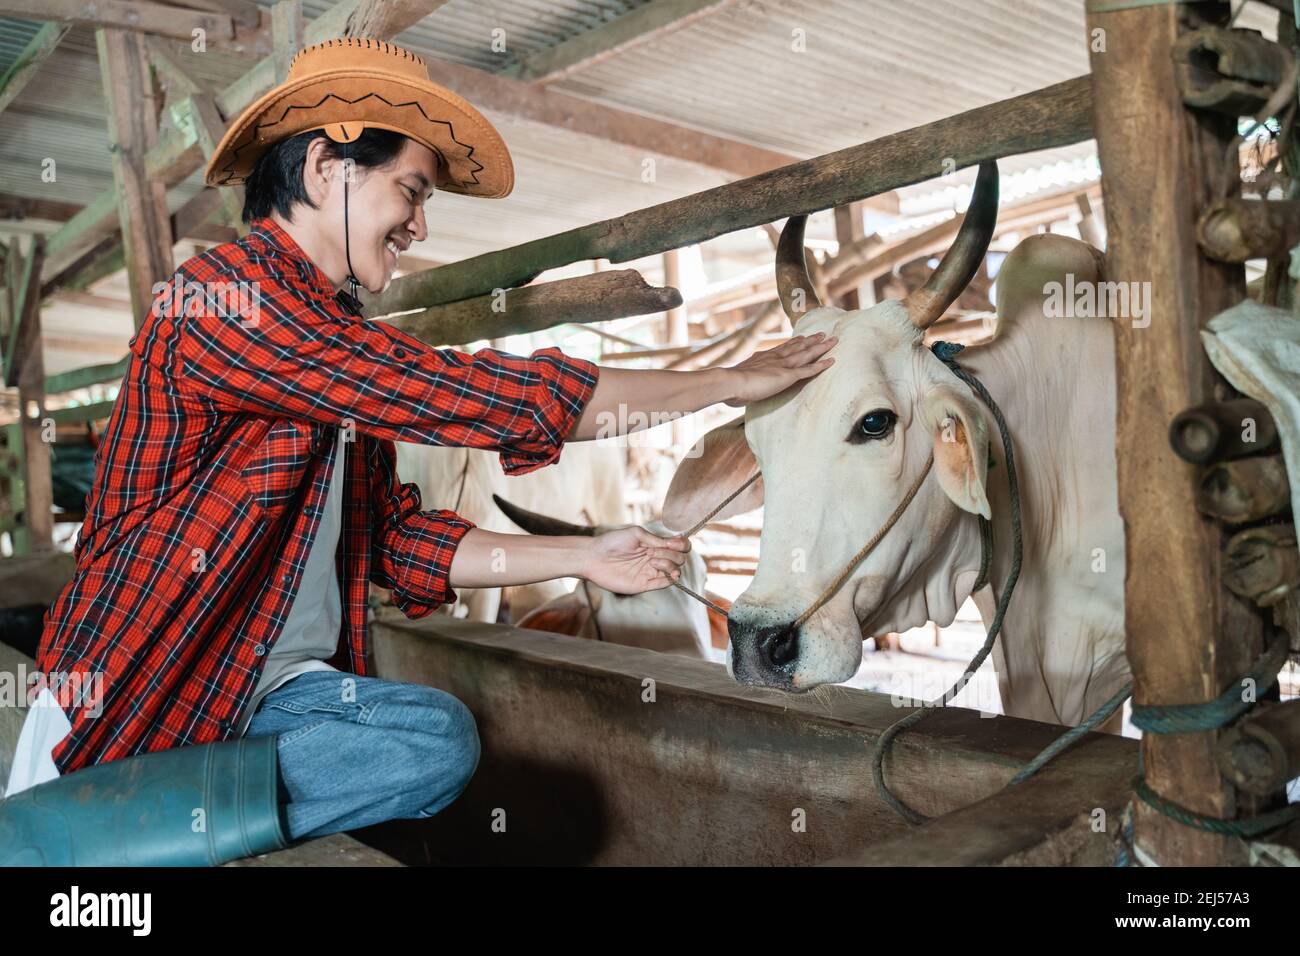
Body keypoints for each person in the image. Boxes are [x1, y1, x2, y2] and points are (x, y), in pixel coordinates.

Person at [0, 37, 835, 864]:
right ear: (330, 169)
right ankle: (93, 824)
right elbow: (464, 397)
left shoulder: (336, 345)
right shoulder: (222, 301)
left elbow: (399, 544)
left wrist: (588, 554)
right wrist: (726, 380)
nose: (419, 224)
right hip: (159, 685)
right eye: (410, 190)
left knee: (435, 739)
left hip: (276, 701)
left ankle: (188, 817)